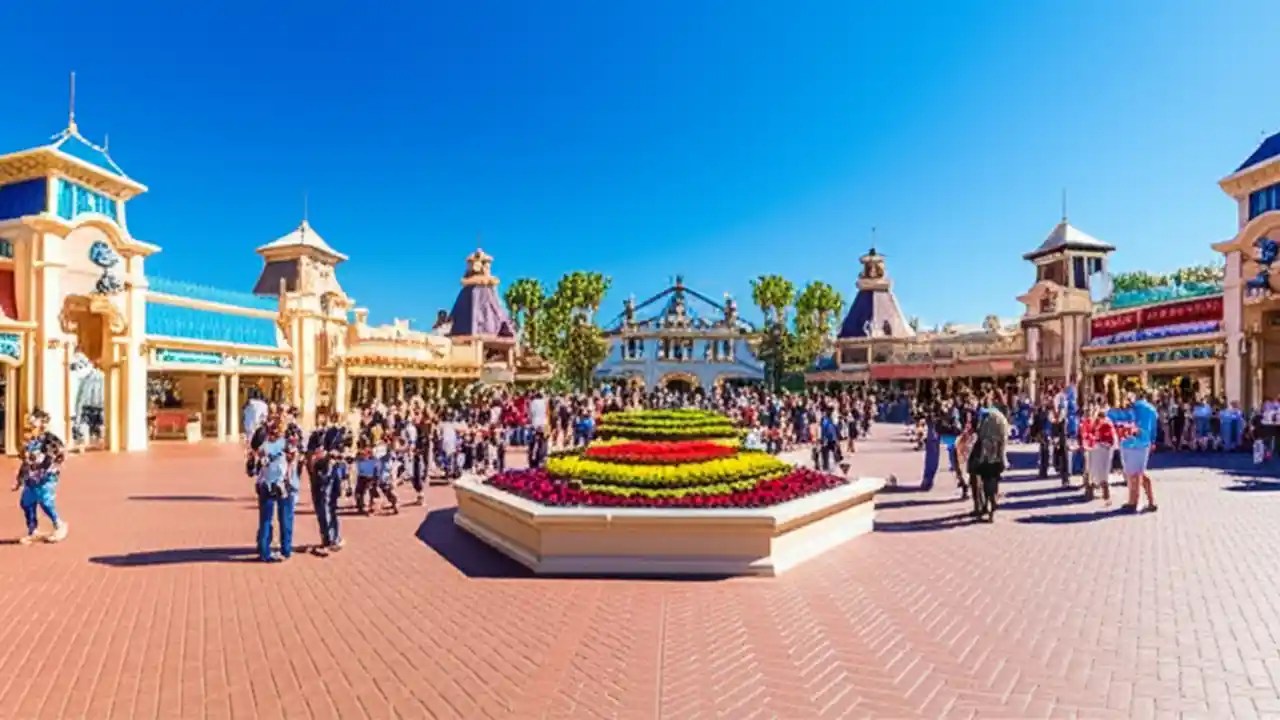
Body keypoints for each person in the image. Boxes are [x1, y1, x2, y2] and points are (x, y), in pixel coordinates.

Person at [14, 410, 68, 544]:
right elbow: (25, 462)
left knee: (45, 501)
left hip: (46, 477)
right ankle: (33, 531)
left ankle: (59, 525)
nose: (30, 424)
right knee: (26, 503)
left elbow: (55, 456)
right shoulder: (30, 441)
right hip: (32, 478)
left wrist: (44, 468)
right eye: (29, 422)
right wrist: (20, 480)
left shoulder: (49, 439)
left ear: (42, 423)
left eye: (33, 421)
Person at [254, 415, 299, 562]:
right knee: (285, 518)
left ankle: (264, 551)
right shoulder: (287, 444)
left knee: (265, 519)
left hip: (266, 483)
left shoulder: (263, 446)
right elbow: (293, 462)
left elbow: (255, 466)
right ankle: (286, 550)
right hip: (283, 484)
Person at [305, 412, 348, 555]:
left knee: (327, 506)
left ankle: (331, 539)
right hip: (318, 475)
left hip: (328, 474)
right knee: (321, 507)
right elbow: (309, 455)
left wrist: (330, 456)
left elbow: (343, 452)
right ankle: (328, 537)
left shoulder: (336, 433)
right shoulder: (314, 436)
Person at [969, 399, 1009, 523]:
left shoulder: (988, 417)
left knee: (988, 482)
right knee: (991, 482)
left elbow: (981, 433)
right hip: (994, 454)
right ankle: (989, 508)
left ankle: (989, 507)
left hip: (988, 454)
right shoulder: (999, 417)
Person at [1121, 390, 1159, 513]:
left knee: (1133, 474)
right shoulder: (1152, 410)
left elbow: (1129, 423)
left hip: (1131, 442)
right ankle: (1149, 501)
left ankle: (1134, 502)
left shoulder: (1133, 408)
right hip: (1144, 442)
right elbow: (1154, 428)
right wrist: (1152, 441)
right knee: (1139, 472)